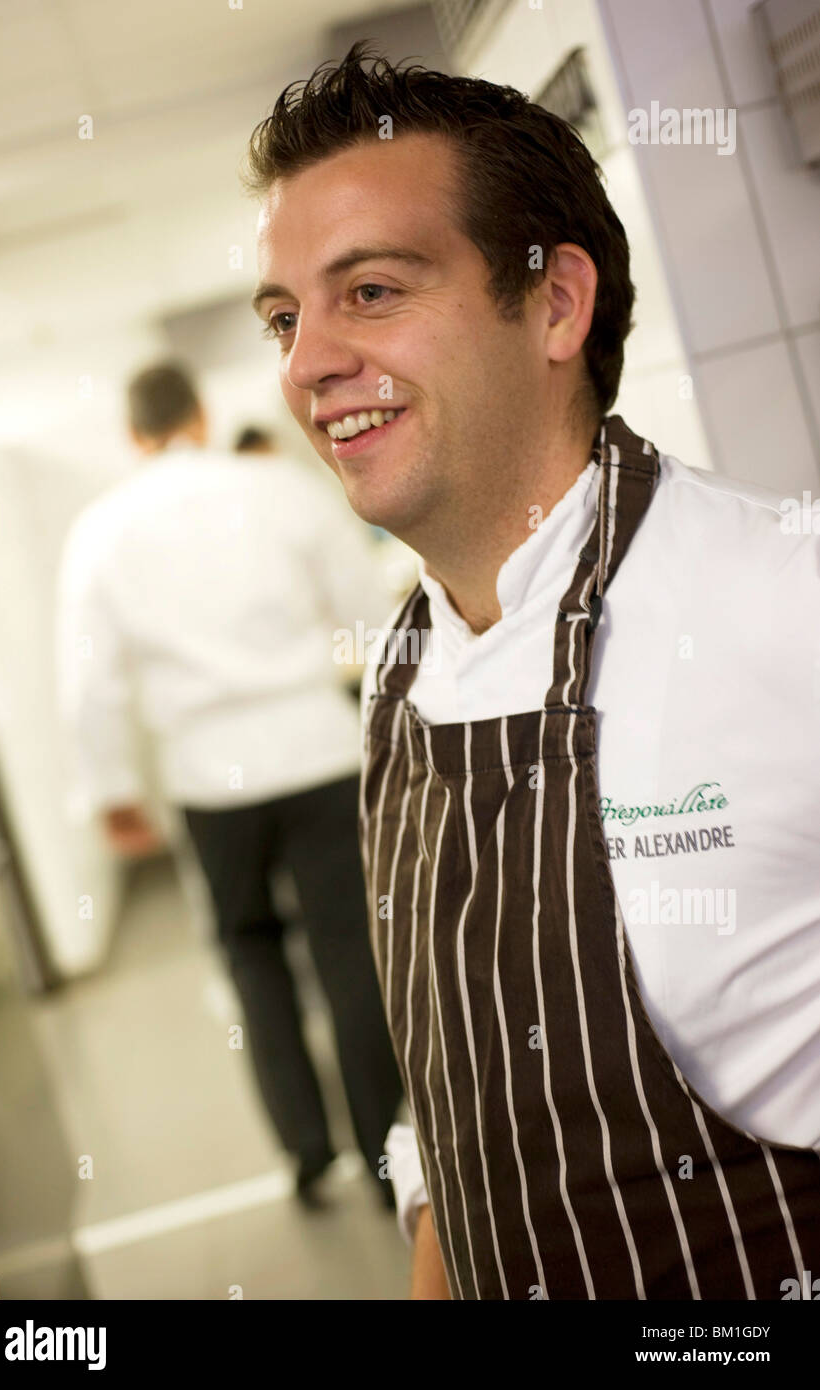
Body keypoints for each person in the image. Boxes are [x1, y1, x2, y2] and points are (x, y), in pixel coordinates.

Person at [244, 43, 820, 1298]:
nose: (306, 364)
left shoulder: (780, 601)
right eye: (286, 319)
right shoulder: (400, 668)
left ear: (556, 304)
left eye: (373, 292)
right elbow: (458, 1090)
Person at [56, 361, 404, 1208]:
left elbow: (87, 680)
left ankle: (303, 1148)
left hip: (209, 779)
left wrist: (111, 794)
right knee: (349, 948)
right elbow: (366, 608)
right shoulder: (281, 491)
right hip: (317, 753)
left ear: (134, 435)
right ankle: (382, 1146)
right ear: (200, 417)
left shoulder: (101, 530)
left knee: (251, 955)